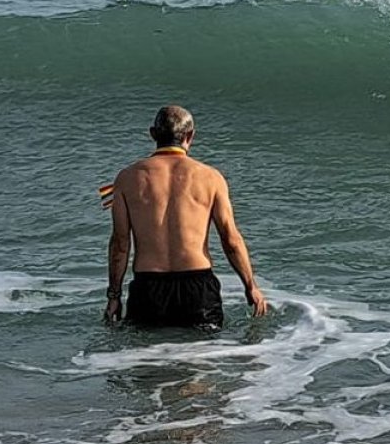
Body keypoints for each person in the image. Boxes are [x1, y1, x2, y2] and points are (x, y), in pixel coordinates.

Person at [103, 105, 267, 328]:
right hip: (197, 288)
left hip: (149, 289)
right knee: (203, 359)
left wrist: (114, 296)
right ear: (190, 136)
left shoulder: (127, 178)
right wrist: (251, 286)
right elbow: (230, 239)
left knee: (145, 360)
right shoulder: (211, 178)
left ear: (153, 134)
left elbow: (120, 244)